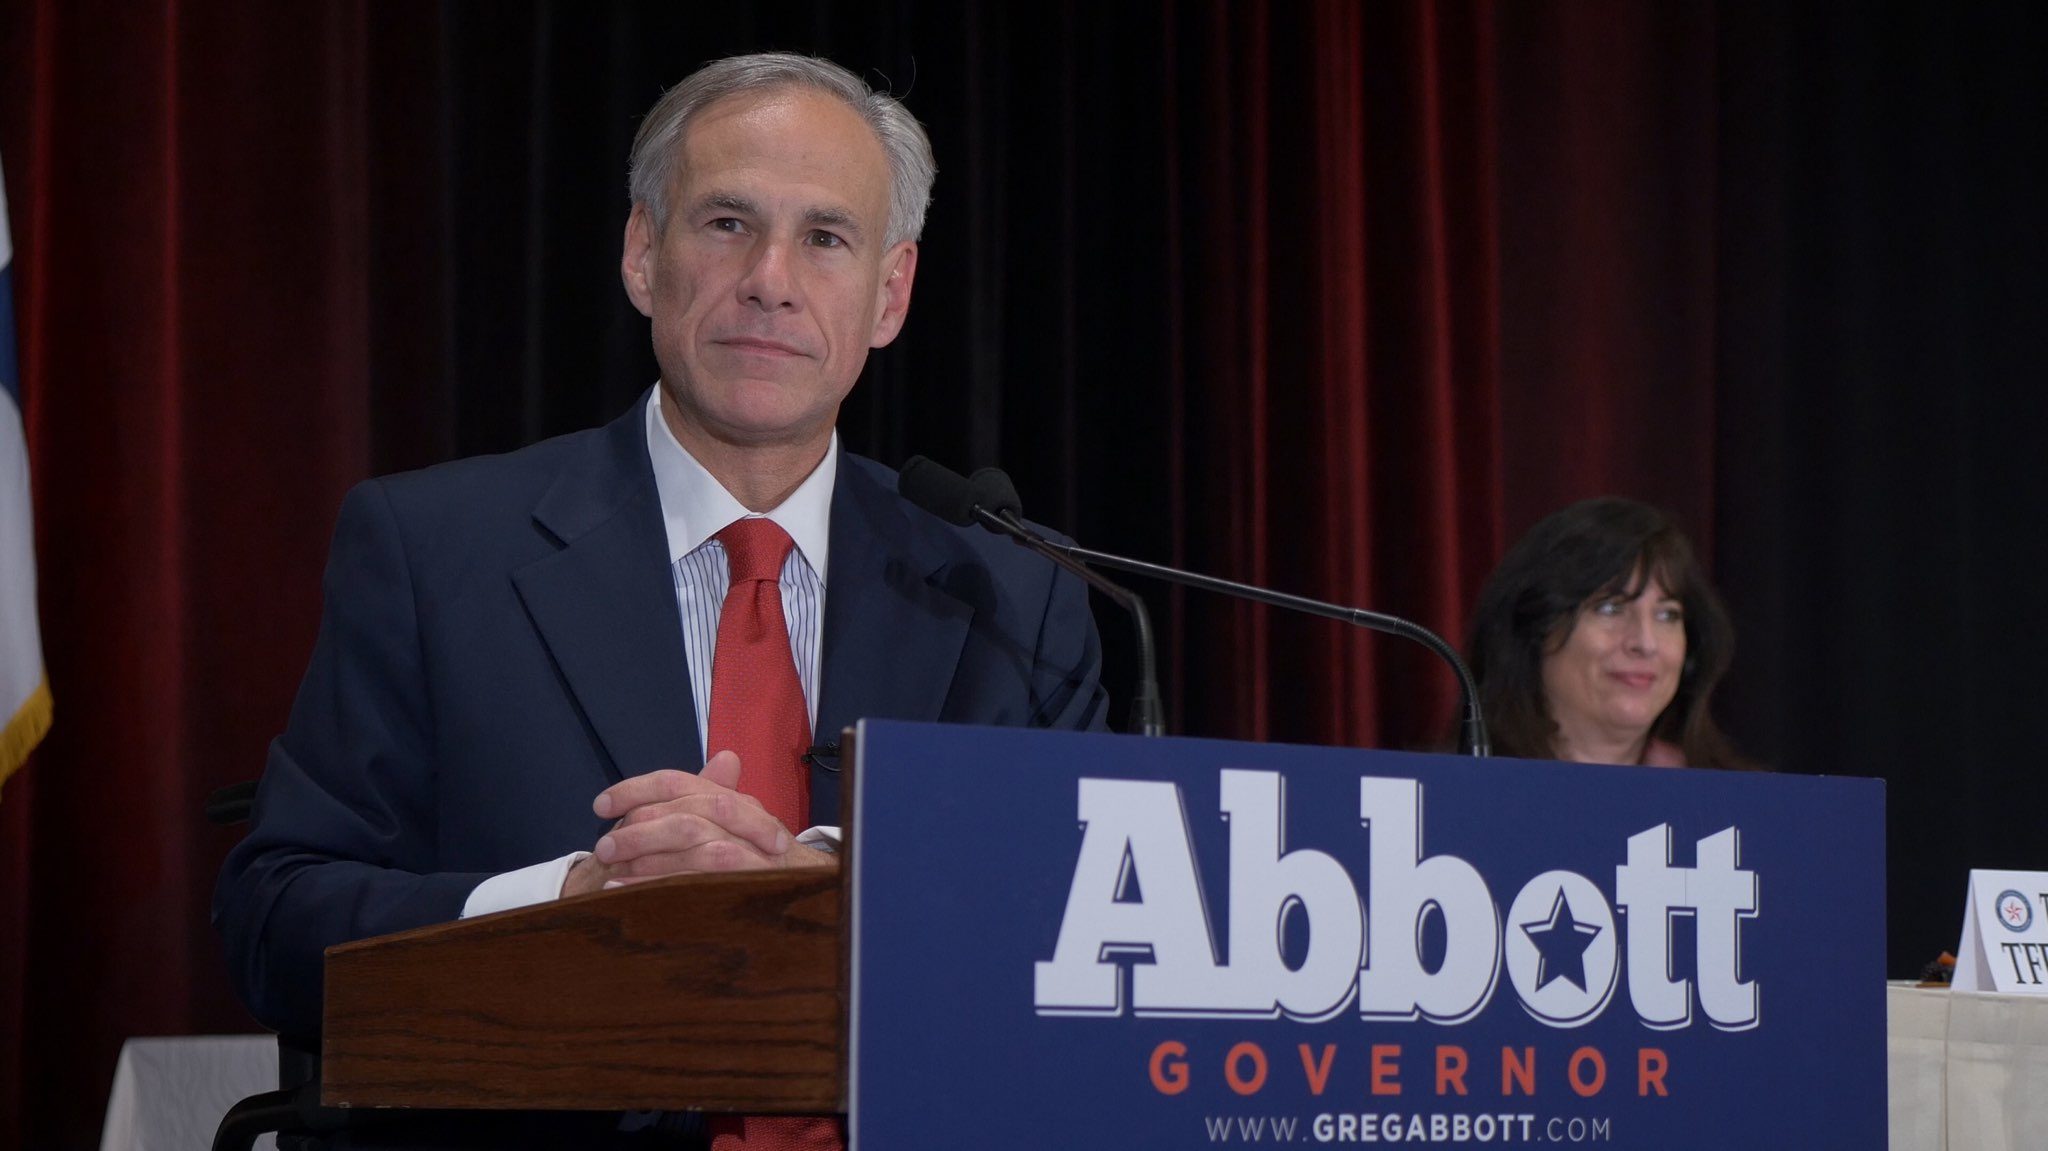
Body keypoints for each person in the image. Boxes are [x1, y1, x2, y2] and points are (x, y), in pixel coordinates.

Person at [214, 52, 1109, 1054]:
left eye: (824, 237)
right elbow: (275, 924)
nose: (769, 282)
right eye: (727, 223)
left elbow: (1091, 930)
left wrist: (847, 886)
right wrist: (573, 899)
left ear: (889, 294)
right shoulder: (433, 552)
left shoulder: (1015, 597)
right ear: (643, 254)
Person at [1464, 497, 1751, 769]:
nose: (1645, 643)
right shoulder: (1448, 795)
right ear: (1535, 629)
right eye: (1610, 609)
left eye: (1667, 615)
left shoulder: (1737, 805)